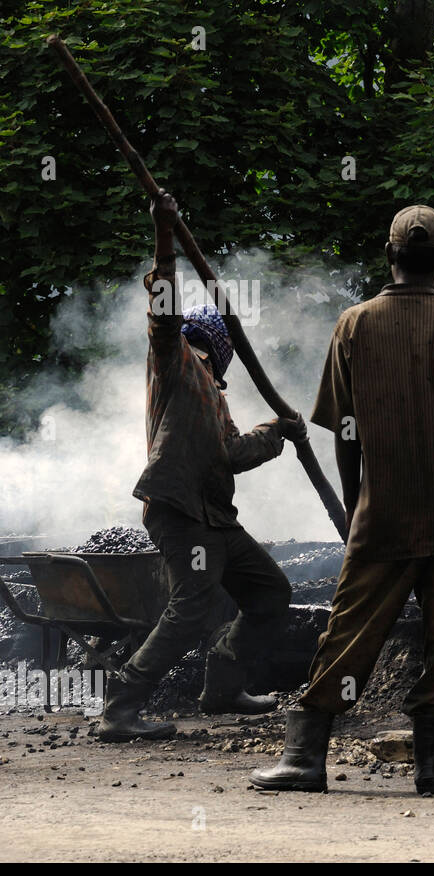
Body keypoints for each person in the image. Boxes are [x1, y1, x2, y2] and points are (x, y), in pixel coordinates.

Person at [252, 205, 434, 795]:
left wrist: (354, 507)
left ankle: (306, 759)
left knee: (349, 632)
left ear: (390, 256)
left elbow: (345, 431)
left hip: (383, 513)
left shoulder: (354, 324)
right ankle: (430, 768)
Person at [100, 191, 306, 743]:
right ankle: (121, 706)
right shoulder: (174, 361)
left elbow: (232, 455)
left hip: (214, 516)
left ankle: (221, 687)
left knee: (268, 592)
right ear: (215, 345)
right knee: (192, 606)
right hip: (180, 510)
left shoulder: (213, 395)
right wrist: (165, 233)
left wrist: (276, 432)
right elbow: (163, 308)